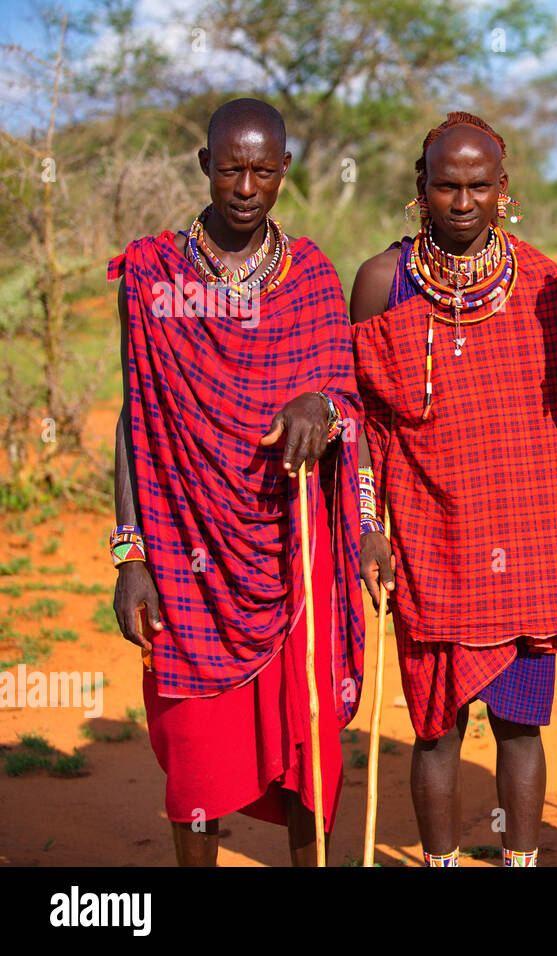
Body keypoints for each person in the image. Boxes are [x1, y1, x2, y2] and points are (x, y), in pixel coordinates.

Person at [350, 112, 557, 868]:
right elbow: (364, 426)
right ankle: (440, 863)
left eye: (480, 186)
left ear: (504, 190)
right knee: (436, 730)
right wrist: (368, 529)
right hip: (428, 541)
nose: (464, 202)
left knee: (518, 727)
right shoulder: (383, 282)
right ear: (422, 188)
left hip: (526, 549)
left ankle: (521, 862)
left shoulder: (540, 281)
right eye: (448, 186)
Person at [109, 98, 365, 866]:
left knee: (306, 737)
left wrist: (319, 405)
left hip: (292, 550)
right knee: (197, 751)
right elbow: (135, 417)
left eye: (262, 171)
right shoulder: (153, 276)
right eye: (230, 169)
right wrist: (130, 556)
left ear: (285, 170)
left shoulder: (312, 277)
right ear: (205, 167)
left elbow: (345, 402)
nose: (246, 186)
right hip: (186, 543)